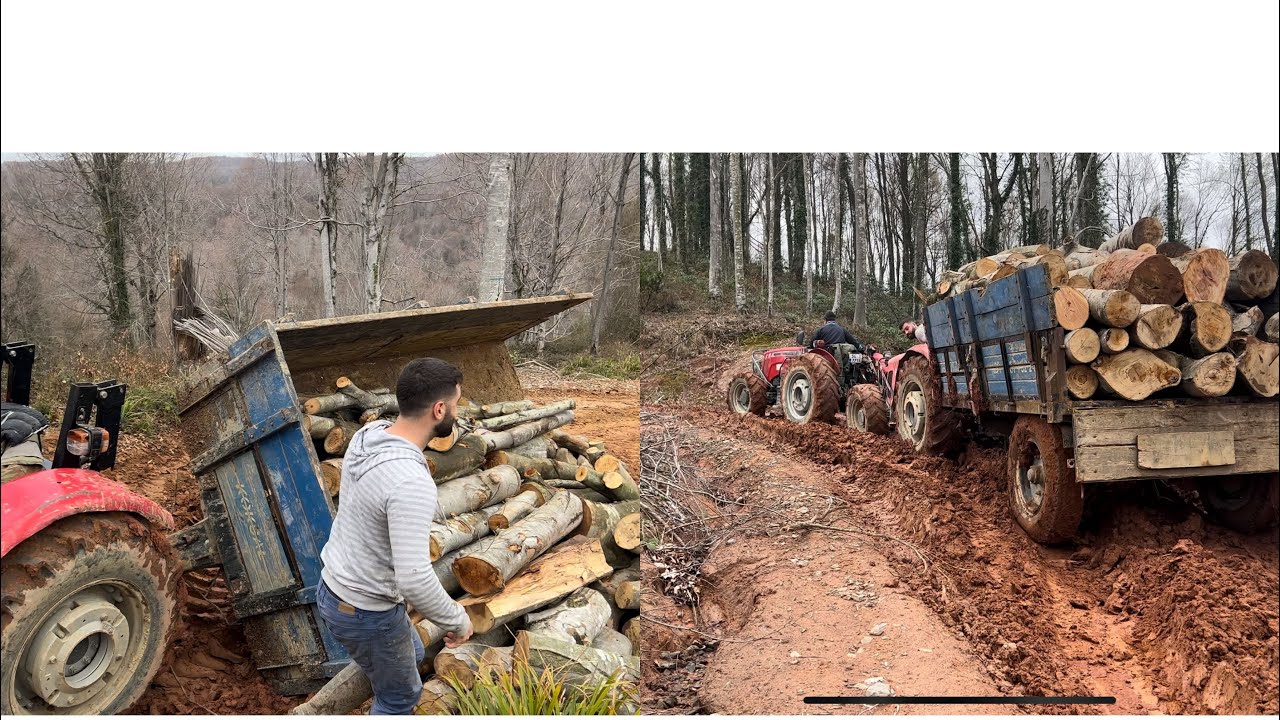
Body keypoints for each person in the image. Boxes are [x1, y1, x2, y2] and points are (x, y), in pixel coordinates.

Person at [316, 358, 474, 715]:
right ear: (438, 409)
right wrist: (457, 620)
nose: (456, 412)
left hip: (332, 587)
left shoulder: (367, 436)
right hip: (366, 610)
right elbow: (415, 577)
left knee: (411, 654)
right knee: (400, 698)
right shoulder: (410, 481)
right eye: (456, 404)